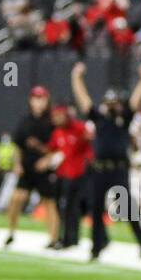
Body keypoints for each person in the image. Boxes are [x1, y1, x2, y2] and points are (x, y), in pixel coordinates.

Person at [71, 60, 141, 259]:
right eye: (109, 102)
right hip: (100, 169)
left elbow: (135, 100)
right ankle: (96, 247)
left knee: (127, 206)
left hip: (118, 168)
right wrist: (76, 78)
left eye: (115, 102)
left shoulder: (124, 118)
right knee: (96, 208)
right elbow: (84, 100)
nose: (112, 105)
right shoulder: (99, 118)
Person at [5, 87, 59, 249]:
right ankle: (11, 232)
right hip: (27, 169)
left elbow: (57, 148)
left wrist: (46, 159)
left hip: (44, 169)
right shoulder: (25, 121)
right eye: (36, 98)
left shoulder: (52, 122)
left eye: (42, 98)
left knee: (49, 202)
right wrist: (17, 164)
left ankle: (53, 238)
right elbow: (18, 146)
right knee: (16, 198)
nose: (39, 101)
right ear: (30, 100)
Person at [45, 103, 93, 249]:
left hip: (79, 175)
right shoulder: (57, 133)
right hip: (63, 175)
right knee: (63, 208)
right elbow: (51, 150)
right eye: (55, 116)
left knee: (77, 208)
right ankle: (65, 238)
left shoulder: (79, 128)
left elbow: (90, 145)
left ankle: (72, 239)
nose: (57, 119)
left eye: (60, 116)